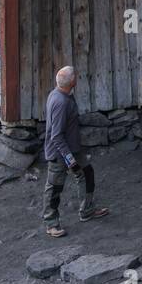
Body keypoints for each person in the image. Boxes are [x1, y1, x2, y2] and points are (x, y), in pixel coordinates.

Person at [42, 65, 108, 237]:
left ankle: (87, 210)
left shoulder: (62, 95)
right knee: (55, 187)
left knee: (86, 173)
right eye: (75, 77)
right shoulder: (61, 102)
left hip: (71, 149)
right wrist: (68, 157)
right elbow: (56, 136)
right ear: (72, 82)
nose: (77, 78)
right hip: (60, 152)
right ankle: (51, 223)